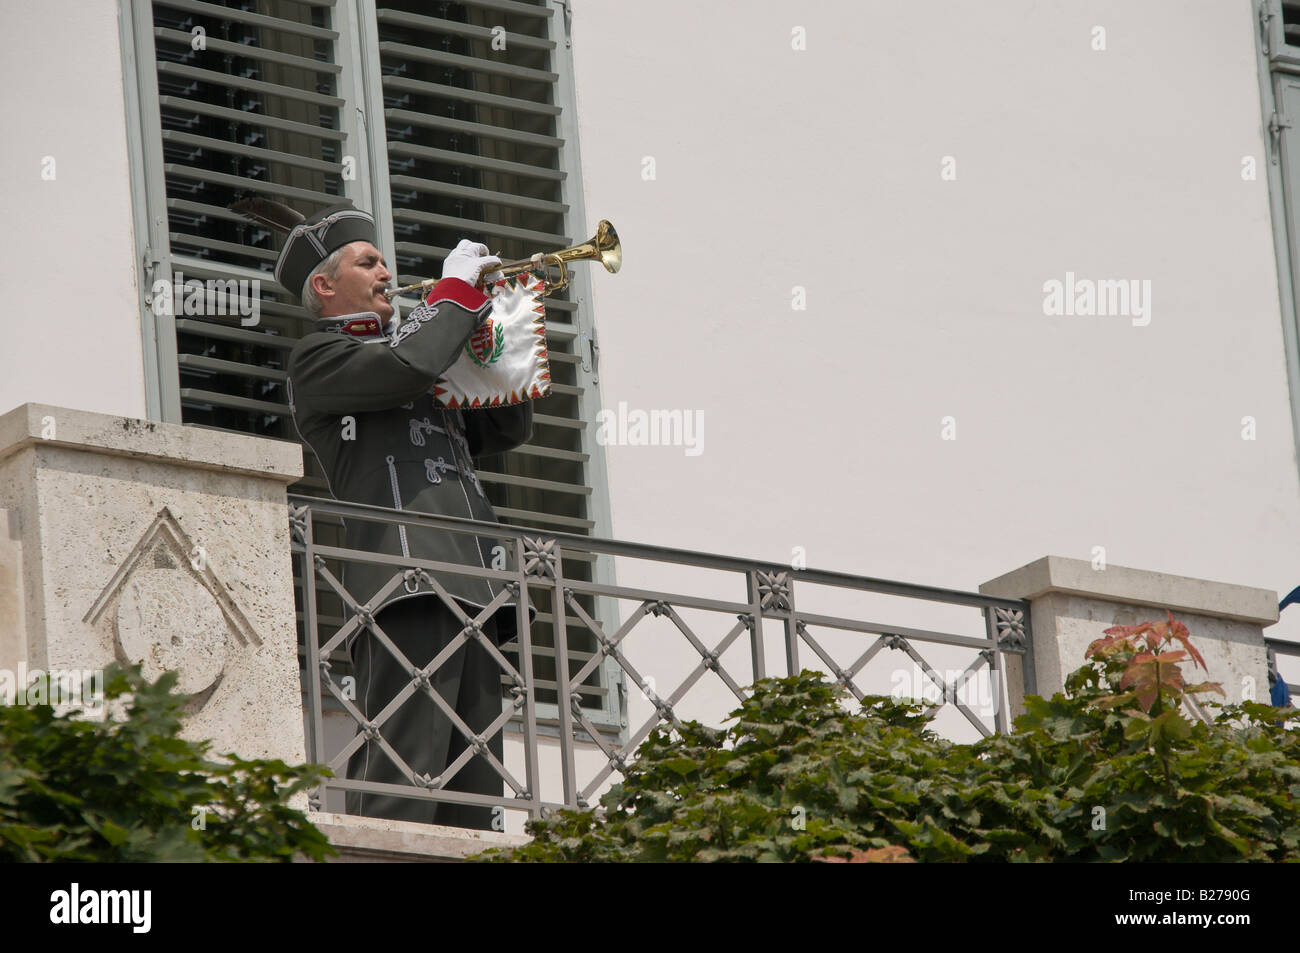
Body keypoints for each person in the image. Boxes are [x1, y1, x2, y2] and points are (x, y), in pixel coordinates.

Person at [279, 204, 533, 829]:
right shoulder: (322, 359)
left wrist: (494, 327)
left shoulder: (418, 353)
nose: (387, 273)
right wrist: (451, 297)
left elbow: (506, 422)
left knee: (476, 795)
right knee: (403, 780)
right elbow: (408, 367)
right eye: (369, 262)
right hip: (405, 583)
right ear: (325, 286)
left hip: (479, 586)